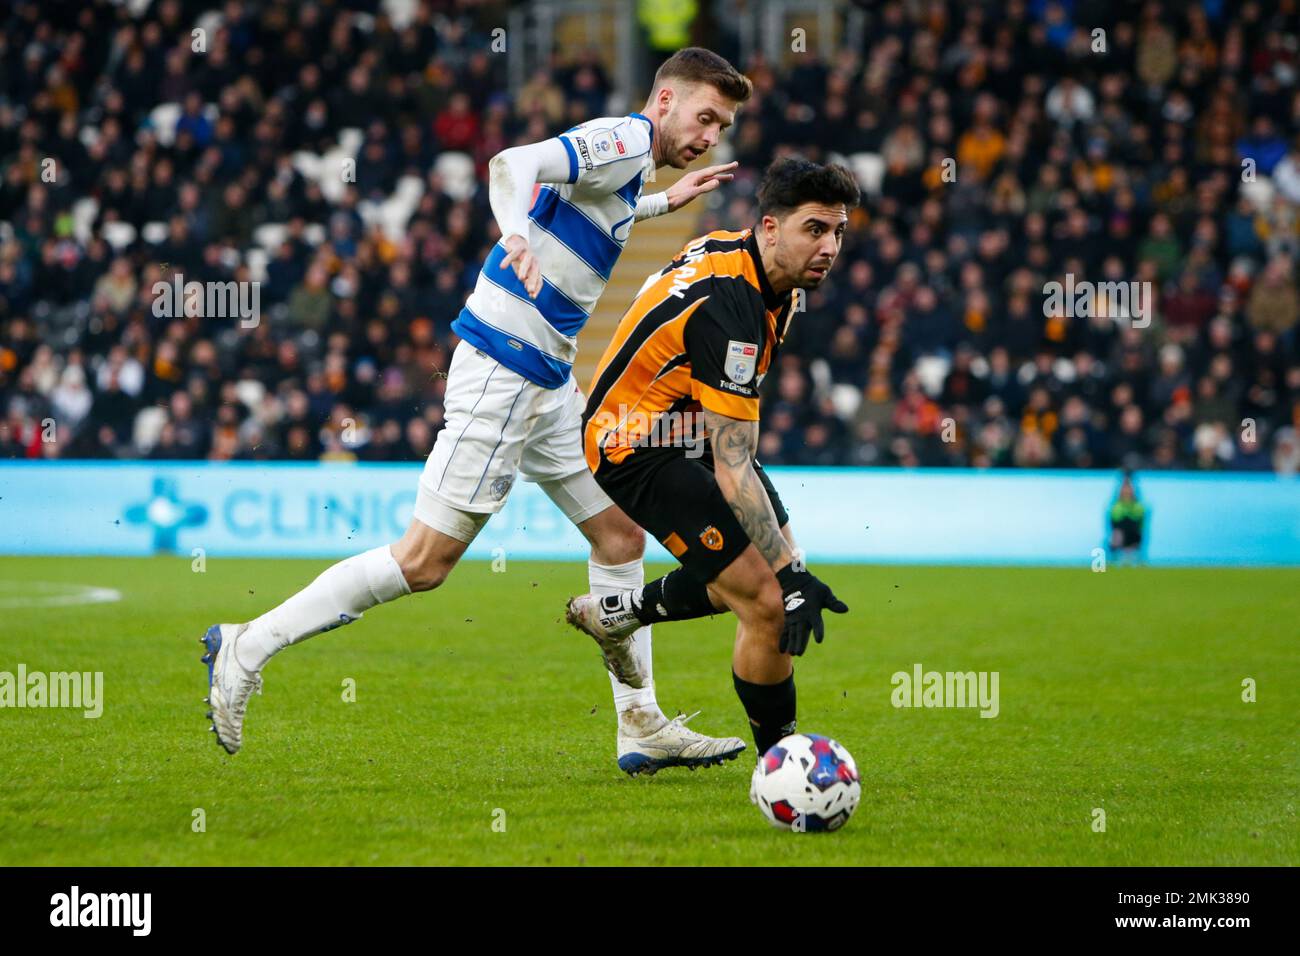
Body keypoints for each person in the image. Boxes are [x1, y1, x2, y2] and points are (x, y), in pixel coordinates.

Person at [202, 49, 755, 775]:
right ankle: (247, 644)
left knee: (621, 535)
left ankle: (640, 723)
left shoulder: (633, 167)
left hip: (547, 381)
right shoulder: (623, 138)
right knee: (425, 562)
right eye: (706, 116)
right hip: (505, 369)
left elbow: (593, 204)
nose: (712, 134)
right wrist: (516, 235)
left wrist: (662, 204)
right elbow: (508, 166)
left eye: (724, 124)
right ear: (664, 101)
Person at [565, 157, 857, 766]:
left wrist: (789, 567)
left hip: (685, 425)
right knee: (772, 600)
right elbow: (733, 464)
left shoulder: (750, 262)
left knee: (772, 573)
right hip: (635, 445)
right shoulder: (735, 307)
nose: (829, 246)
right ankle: (783, 765)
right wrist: (791, 579)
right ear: (771, 228)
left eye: (838, 232)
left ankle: (620, 614)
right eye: (815, 229)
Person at [1107, 472, 1147, 565]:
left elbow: (1140, 525)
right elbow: (1114, 525)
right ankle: (1116, 557)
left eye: (1129, 488)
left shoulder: (1138, 506)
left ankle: (1132, 555)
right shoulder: (1116, 506)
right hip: (1120, 537)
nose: (1126, 491)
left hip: (1133, 537)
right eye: (1124, 488)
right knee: (1117, 534)